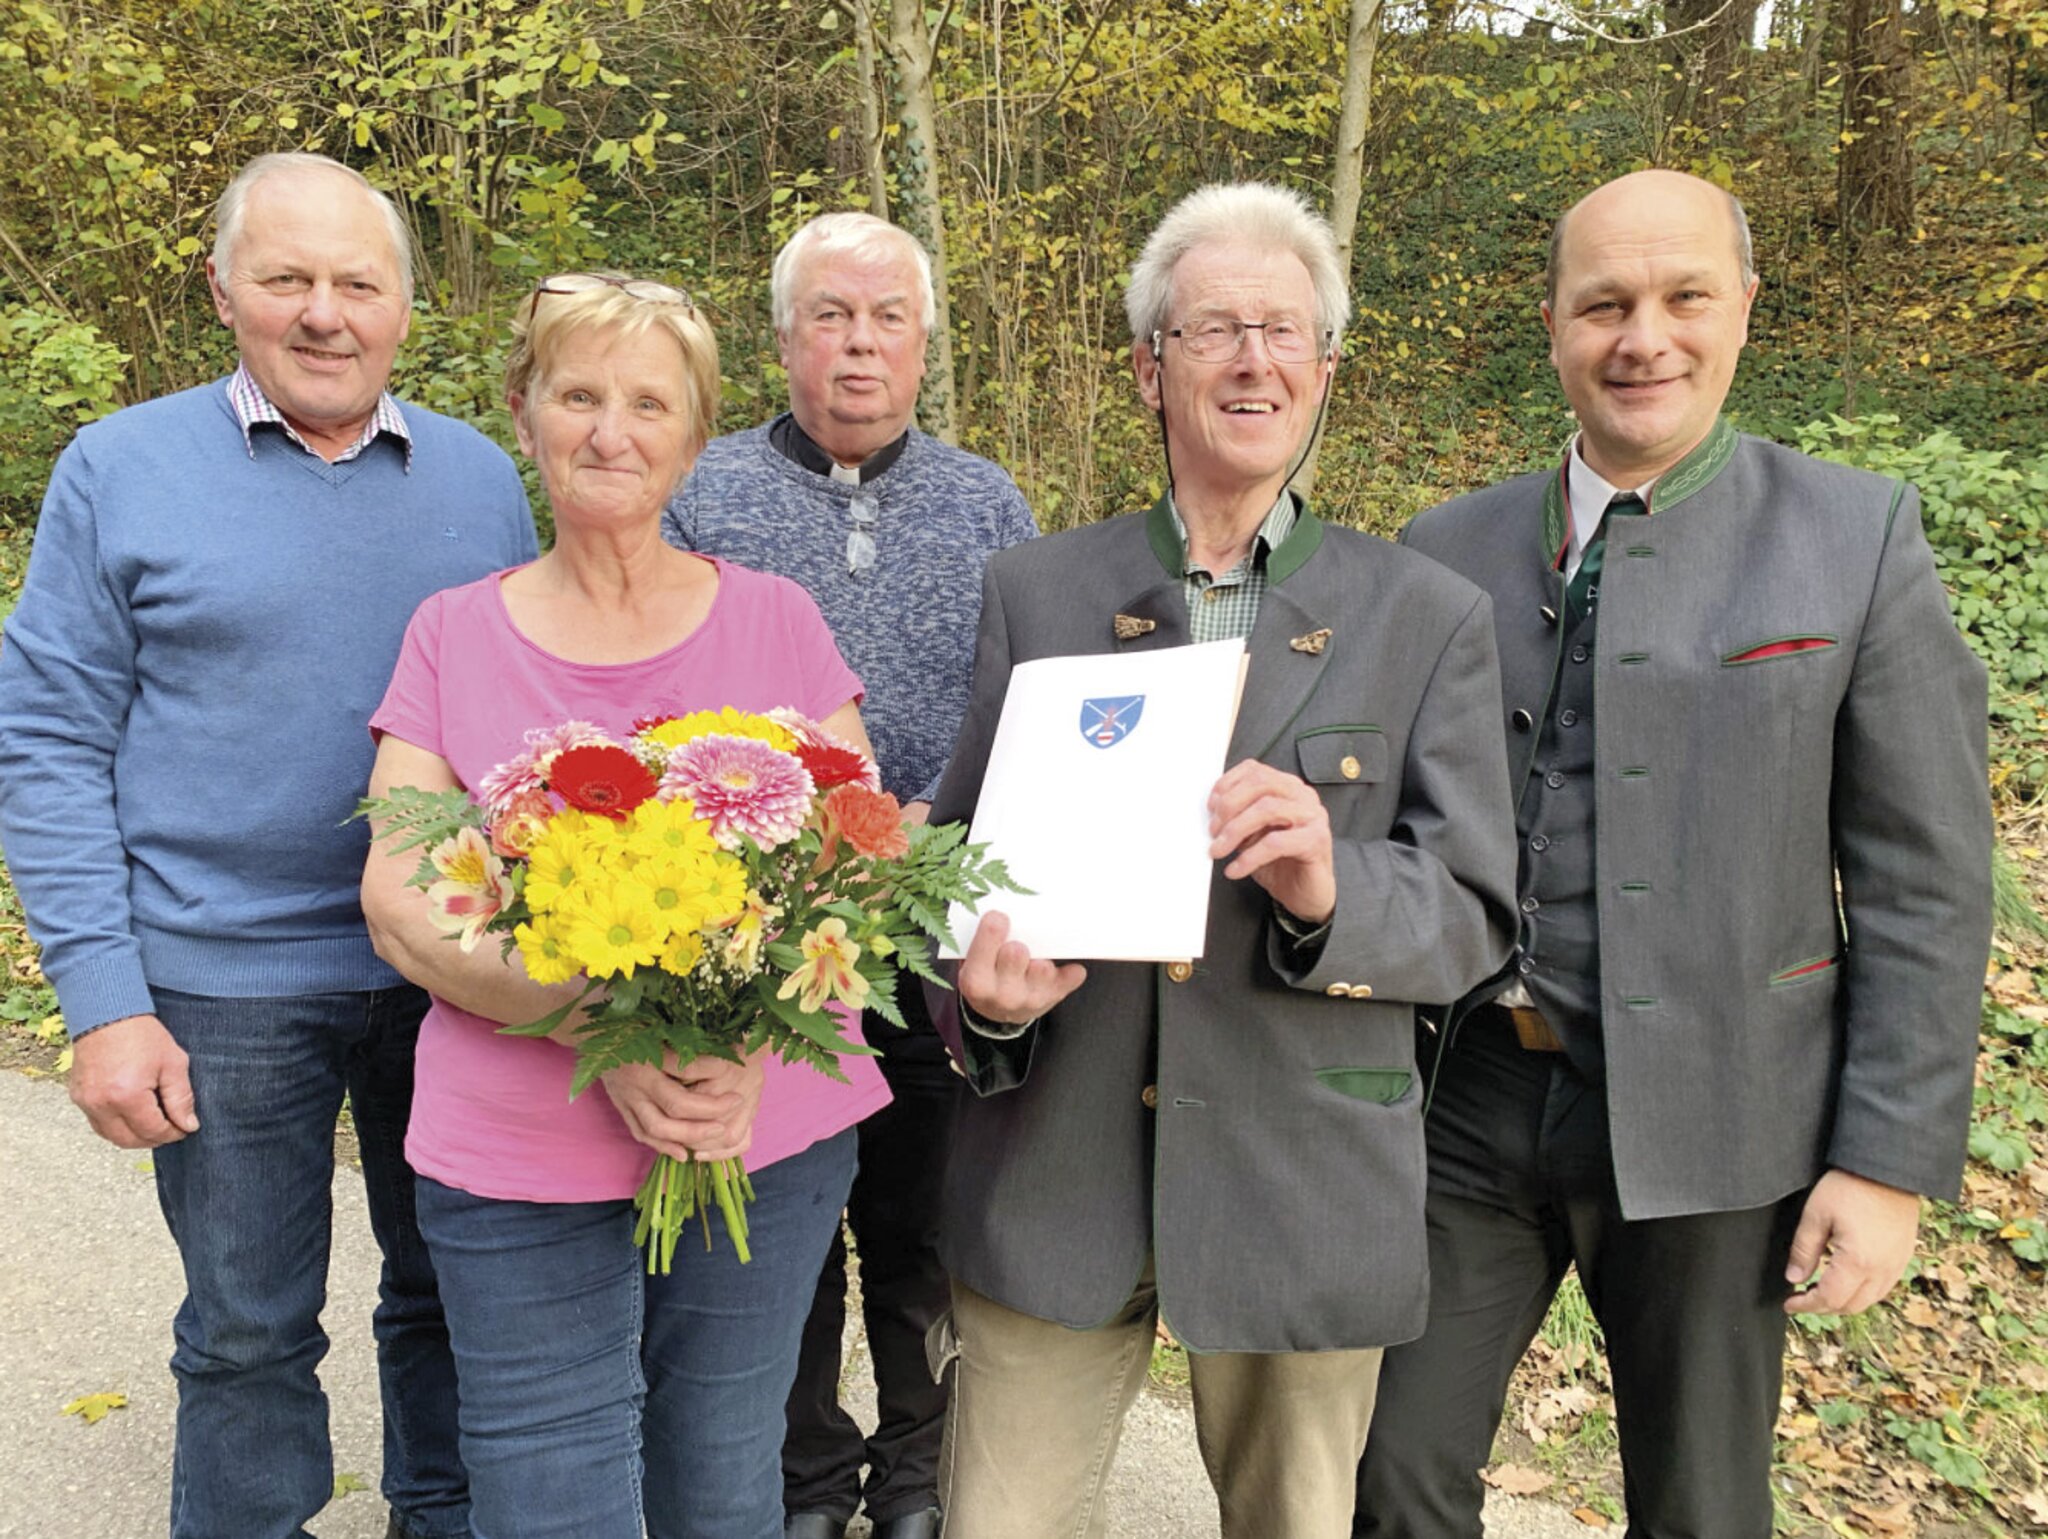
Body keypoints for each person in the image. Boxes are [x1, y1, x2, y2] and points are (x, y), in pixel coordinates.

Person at [1354, 169, 1993, 1537]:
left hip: (1725, 1110)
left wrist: (1884, 1158)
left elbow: (1925, 876)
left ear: (1743, 310)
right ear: (1556, 328)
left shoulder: (1853, 534)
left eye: (1682, 296)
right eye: (1606, 304)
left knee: (1701, 1504)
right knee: (1392, 1474)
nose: (1644, 336)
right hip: (1469, 1103)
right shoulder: (1443, 550)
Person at [926, 182, 1519, 1539]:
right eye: (1214, 331)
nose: (1254, 360)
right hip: (1058, 1169)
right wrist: (986, 996)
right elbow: (949, 884)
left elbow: (1476, 909)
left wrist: (1333, 887)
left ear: (1323, 370)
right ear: (1150, 367)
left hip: (1304, 1183)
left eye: (1284, 332)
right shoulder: (1039, 590)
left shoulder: (1424, 613)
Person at [0, 152, 536, 1539]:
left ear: (406, 308)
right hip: (221, 978)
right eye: (288, 277)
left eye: (358, 282)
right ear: (223, 286)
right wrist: (105, 1000)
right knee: (246, 1326)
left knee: (455, 1296)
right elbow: (47, 740)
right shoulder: (120, 467)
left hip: (450, 972)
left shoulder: (480, 482)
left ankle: (450, 1515)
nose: (324, 312)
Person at [359, 271, 893, 1539]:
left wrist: (744, 1043)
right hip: (514, 1144)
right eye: (578, 395)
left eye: (648, 403)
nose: (611, 431)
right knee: (547, 1492)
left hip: (756, 1126)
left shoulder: (775, 618)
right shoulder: (452, 632)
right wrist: (598, 1020)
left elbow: (861, 867)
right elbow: (398, 891)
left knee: (720, 1480)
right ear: (523, 411)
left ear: (695, 434)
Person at [662, 210, 1035, 1539]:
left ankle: (924, 1475)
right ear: (783, 339)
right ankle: (807, 1475)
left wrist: (947, 837)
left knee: (924, 1224)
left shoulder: (990, 501)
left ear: (926, 341)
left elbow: (1025, 703)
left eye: (886, 316)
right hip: (768, 939)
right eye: (831, 314)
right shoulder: (705, 491)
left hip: (935, 931)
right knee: (787, 1230)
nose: (859, 341)